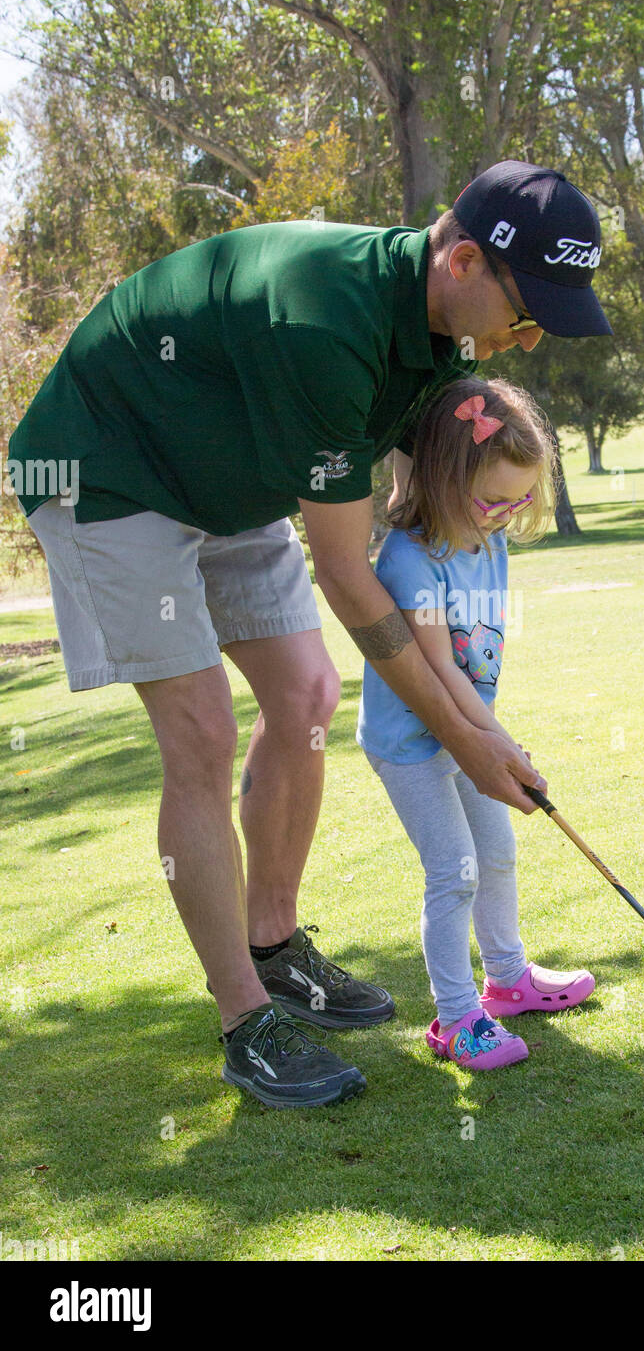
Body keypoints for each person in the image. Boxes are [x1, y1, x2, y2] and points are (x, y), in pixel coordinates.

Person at [5, 160, 611, 1108]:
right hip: (107, 472)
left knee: (307, 697)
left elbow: (416, 558)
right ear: (461, 261)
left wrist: (484, 733)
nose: (524, 342)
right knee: (201, 730)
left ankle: (274, 944)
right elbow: (347, 575)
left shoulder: (442, 348)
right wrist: (461, 740)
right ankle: (244, 1019)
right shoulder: (327, 323)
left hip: (228, 481)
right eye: (525, 316)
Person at [357, 375, 596, 1069]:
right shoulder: (409, 559)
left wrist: (493, 739)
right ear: (444, 477)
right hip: (411, 745)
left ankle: (508, 980)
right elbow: (437, 671)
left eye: (520, 498)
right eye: (493, 498)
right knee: (454, 871)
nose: (506, 512)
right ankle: (457, 1018)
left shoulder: (488, 545)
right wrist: (492, 742)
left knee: (495, 854)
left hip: (466, 730)